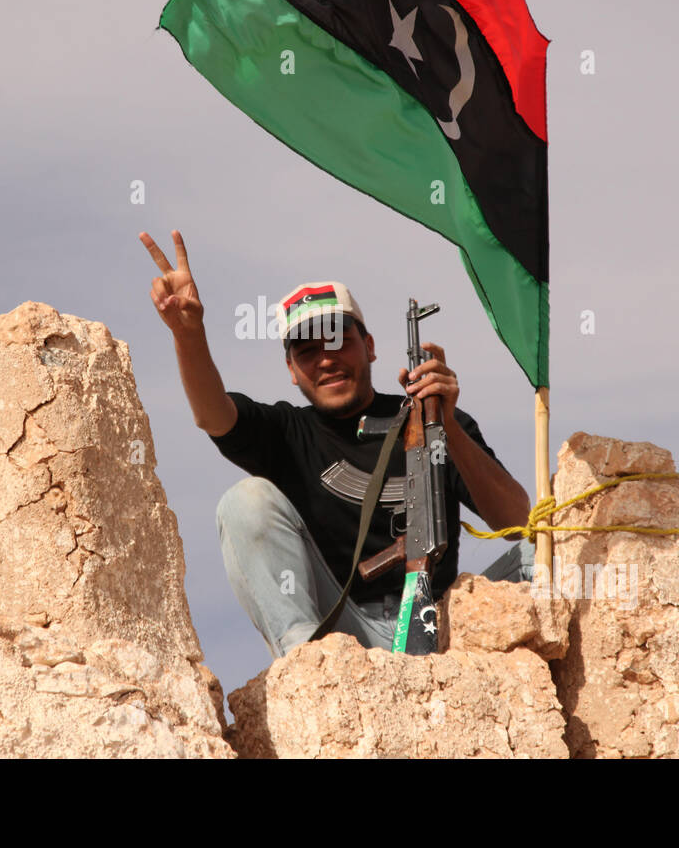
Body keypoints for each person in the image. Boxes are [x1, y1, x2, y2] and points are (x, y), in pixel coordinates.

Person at [140, 228, 535, 659]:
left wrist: (447, 426)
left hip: (450, 623)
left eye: (337, 341)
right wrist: (188, 335)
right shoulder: (289, 432)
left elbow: (517, 519)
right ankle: (307, 667)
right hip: (343, 635)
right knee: (243, 501)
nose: (326, 359)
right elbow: (212, 415)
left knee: (549, 550)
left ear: (368, 347)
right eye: (307, 351)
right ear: (291, 369)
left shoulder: (439, 420)